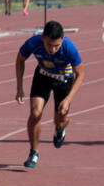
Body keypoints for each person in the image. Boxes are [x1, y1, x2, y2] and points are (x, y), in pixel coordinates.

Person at [14, 19, 85, 169]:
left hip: (64, 81)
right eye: (49, 45)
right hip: (43, 77)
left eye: (56, 46)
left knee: (59, 119)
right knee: (35, 112)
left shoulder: (69, 47)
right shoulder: (34, 43)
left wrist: (68, 99)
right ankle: (34, 152)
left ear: (62, 40)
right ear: (43, 39)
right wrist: (19, 86)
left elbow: (81, 74)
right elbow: (20, 59)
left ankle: (60, 129)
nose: (52, 50)